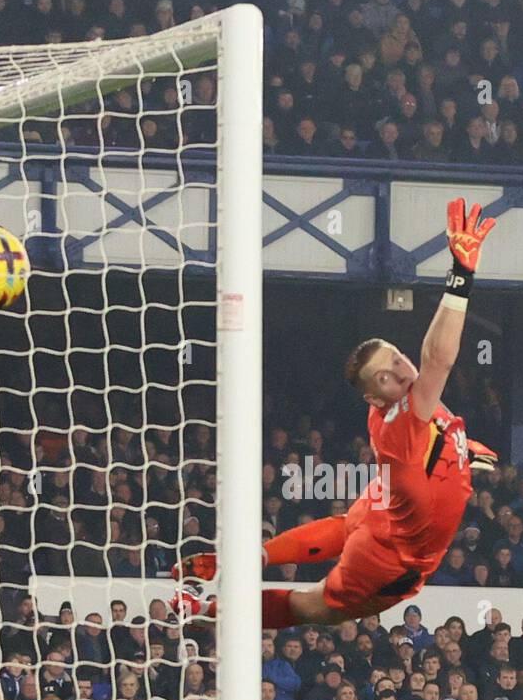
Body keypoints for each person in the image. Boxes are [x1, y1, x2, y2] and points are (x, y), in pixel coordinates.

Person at [173, 199, 497, 626]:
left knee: (350, 525)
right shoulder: (403, 418)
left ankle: (251, 558)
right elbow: (438, 358)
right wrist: (460, 276)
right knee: (312, 606)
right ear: (374, 398)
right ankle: (204, 612)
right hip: (394, 564)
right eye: (385, 376)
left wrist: (461, 453)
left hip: (383, 515)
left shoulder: (409, 413)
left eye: (397, 358)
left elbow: (431, 434)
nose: (400, 372)